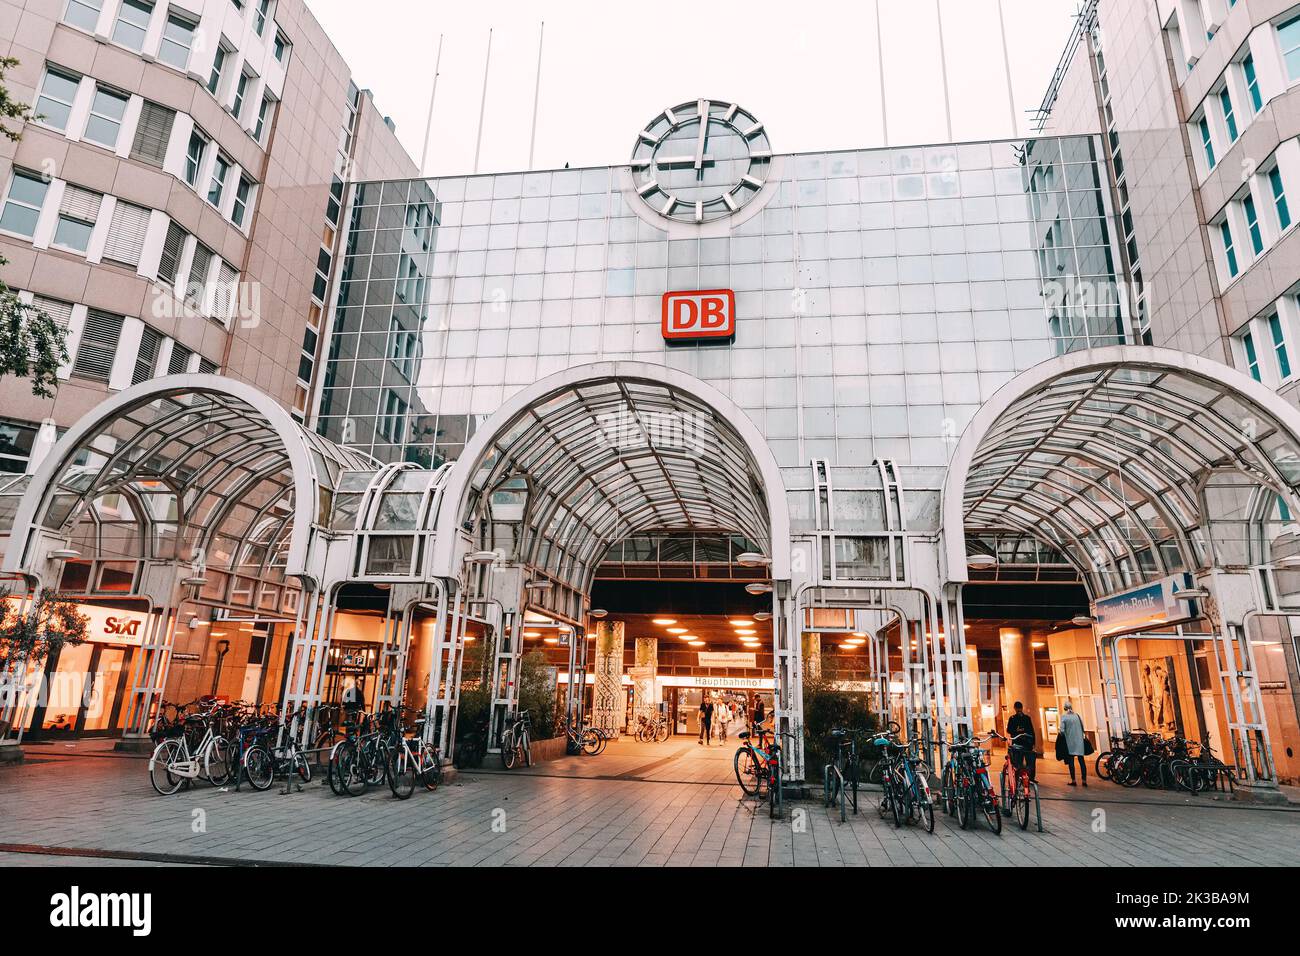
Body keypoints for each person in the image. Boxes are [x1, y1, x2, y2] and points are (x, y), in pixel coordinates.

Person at [1057, 699, 1089, 786]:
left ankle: (1073, 780)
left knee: (1071, 761)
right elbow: (1082, 728)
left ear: (1064, 708)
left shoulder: (1064, 717)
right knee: (1081, 761)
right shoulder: (1077, 716)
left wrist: (1060, 732)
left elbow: (1062, 731)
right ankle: (1084, 780)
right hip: (1079, 742)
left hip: (1070, 742)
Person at [1005, 700, 1037, 781]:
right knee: (1030, 762)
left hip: (1017, 744)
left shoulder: (1012, 718)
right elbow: (1032, 731)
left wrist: (1016, 732)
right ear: (1022, 708)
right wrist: (1033, 743)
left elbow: (1009, 730)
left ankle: (1019, 777)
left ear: (1014, 708)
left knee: (1018, 762)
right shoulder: (1027, 718)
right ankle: (1031, 778)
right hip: (1027, 744)